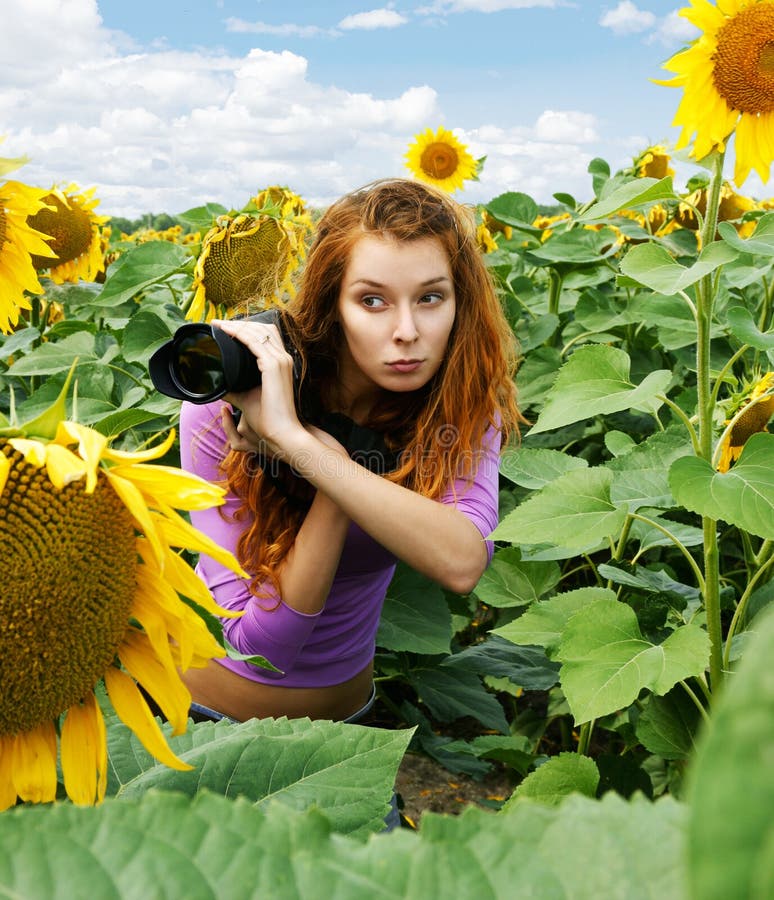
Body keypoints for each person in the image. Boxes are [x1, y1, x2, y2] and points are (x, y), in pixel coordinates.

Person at [179, 177, 522, 728]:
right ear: (333, 304)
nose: (406, 331)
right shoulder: (227, 409)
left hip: (348, 738)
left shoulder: (459, 409)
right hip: (197, 726)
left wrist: (308, 452)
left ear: (461, 303)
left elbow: (461, 562)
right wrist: (334, 480)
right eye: (372, 301)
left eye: (430, 297)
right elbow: (260, 648)